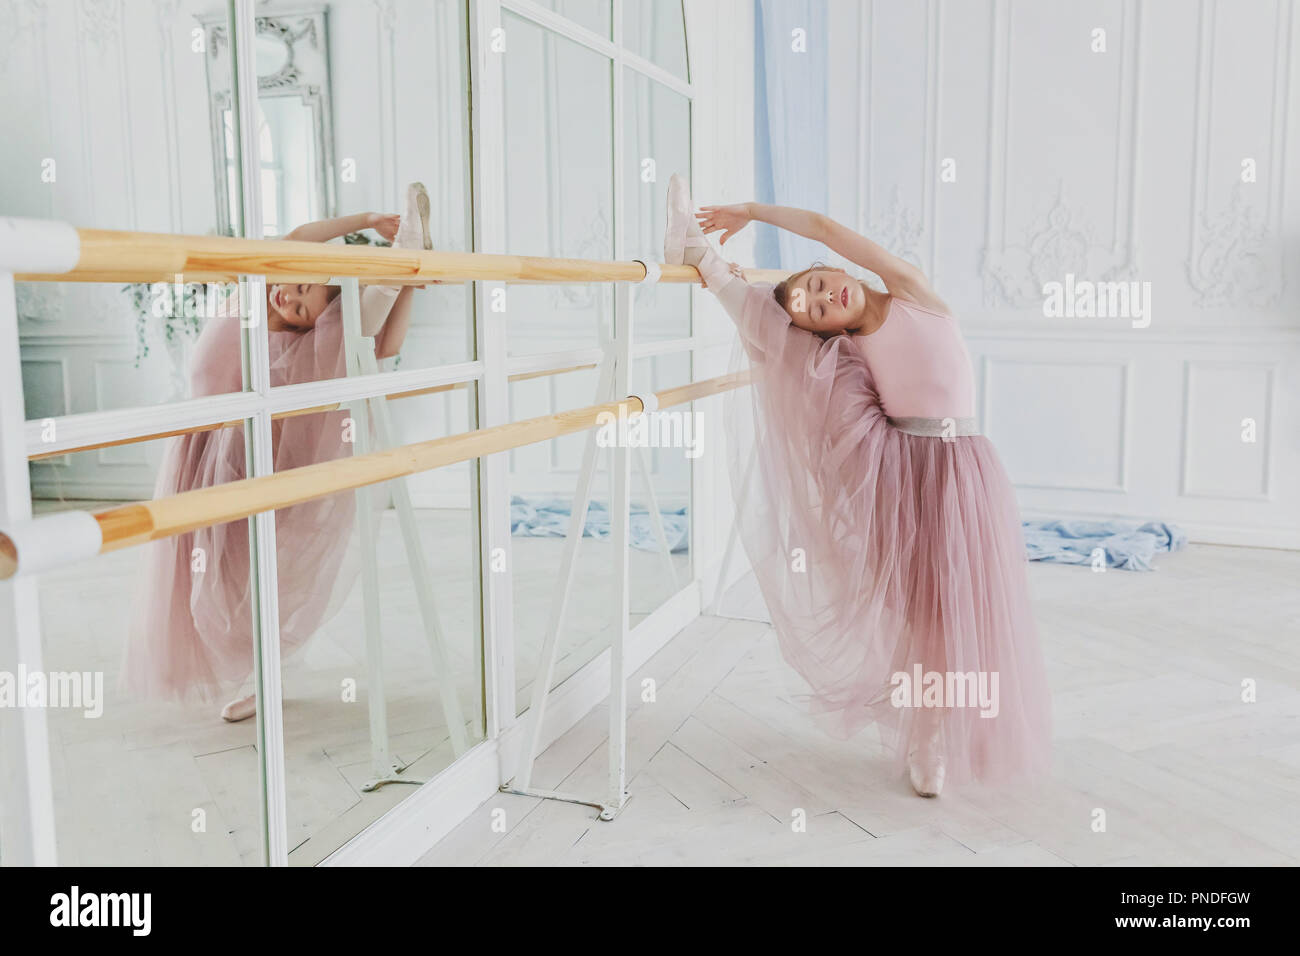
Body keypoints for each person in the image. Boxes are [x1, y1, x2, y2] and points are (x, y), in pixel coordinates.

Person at [664, 174, 1051, 796]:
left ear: (828, 270)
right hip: (901, 462)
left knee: (960, 606)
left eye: (820, 286)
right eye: (815, 310)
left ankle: (950, 727)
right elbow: (796, 332)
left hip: (963, 468)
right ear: (828, 328)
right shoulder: (843, 346)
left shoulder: (910, 291)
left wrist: (752, 211)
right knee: (921, 612)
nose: (825, 298)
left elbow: (826, 230)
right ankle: (704, 262)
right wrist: (773, 302)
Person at [125, 184, 434, 722]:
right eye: (297, 284)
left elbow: (384, 349)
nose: (288, 296)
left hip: (241, 456)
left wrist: (410, 284)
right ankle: (403, 260)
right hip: (199, 452)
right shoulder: (257, 285)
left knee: (247, 573)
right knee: (204, 574)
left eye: (303, 304)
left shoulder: (302, 342)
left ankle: (403, 266)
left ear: (313, 320)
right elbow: (296, 240)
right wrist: (362, 218)